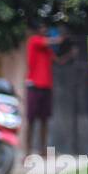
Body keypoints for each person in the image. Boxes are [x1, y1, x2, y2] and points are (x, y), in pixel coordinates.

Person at [24, 18, 70, 160]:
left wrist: (70, 55)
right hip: (34, 86)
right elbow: (53, 41)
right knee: (31, 120)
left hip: (46, 87)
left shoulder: (47, 48)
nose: (44, 30)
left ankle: (43, 151)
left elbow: (58, 61)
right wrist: (62, 37)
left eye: (46, 28)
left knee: (44, 120)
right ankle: (27, 152)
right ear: (37, 30)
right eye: (42, 28)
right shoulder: (34, 40)